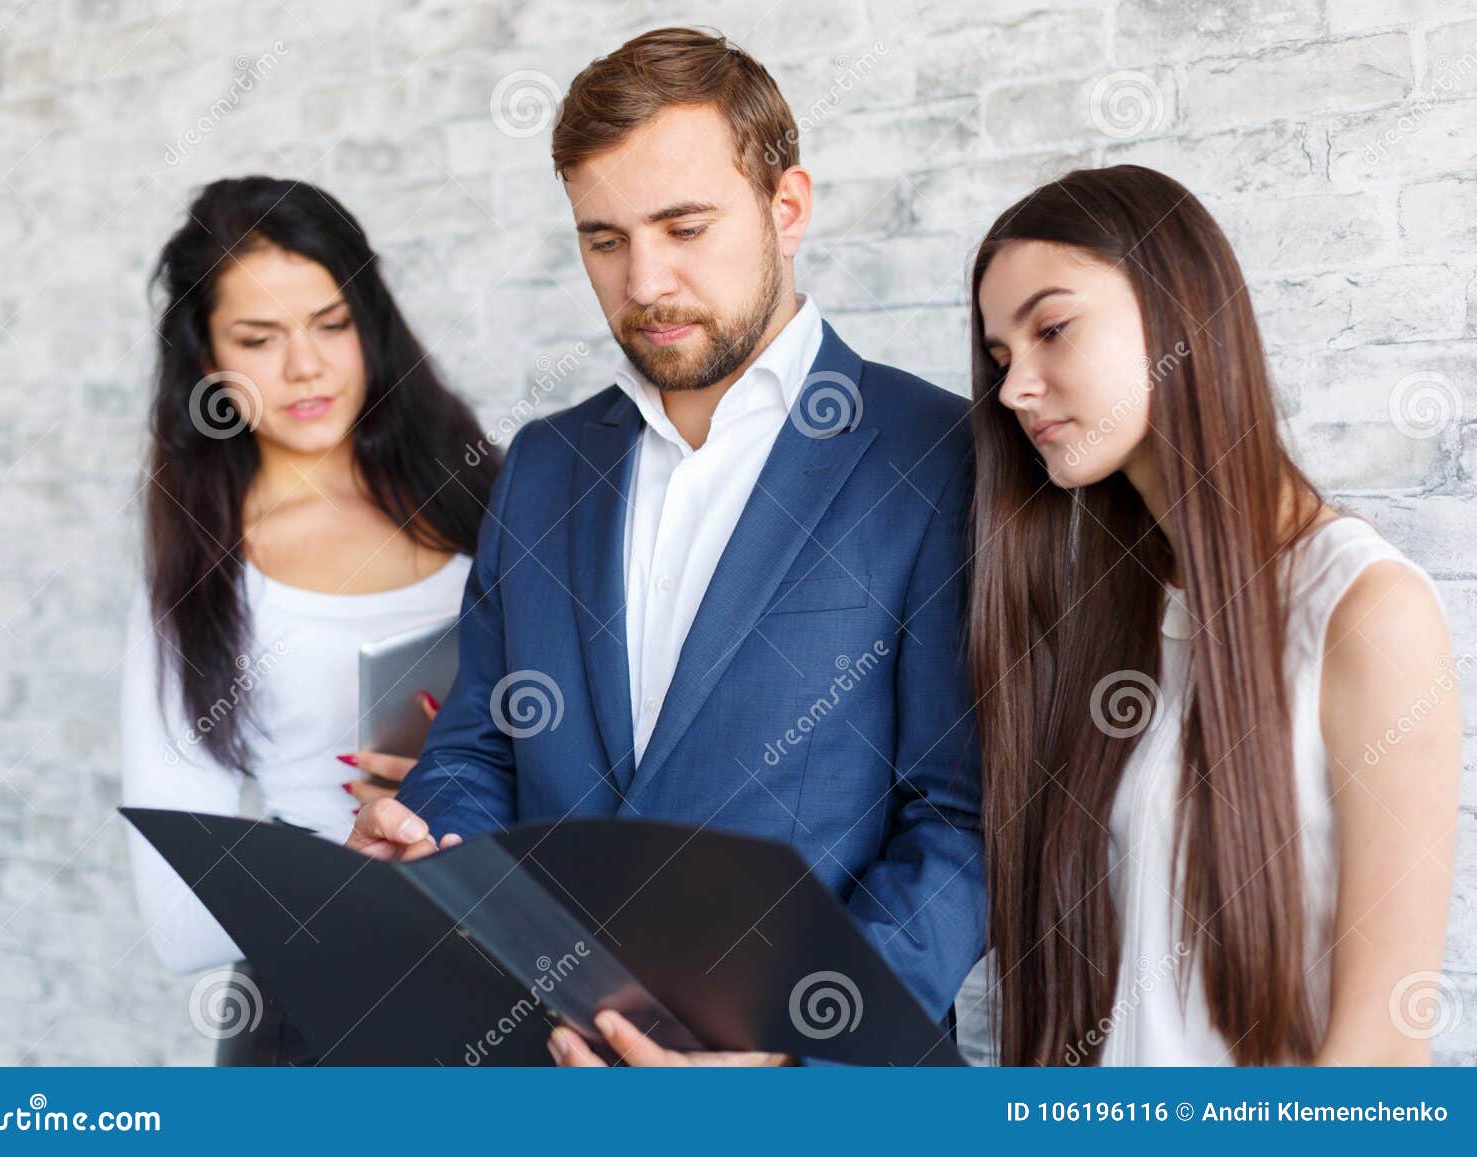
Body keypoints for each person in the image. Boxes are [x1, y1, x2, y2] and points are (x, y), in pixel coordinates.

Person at [345, 27, 985, 1067]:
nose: (644, 281)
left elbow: (965, 823)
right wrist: (432, 839)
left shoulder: (939, 454)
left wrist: (798, 1044)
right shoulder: (543, 465)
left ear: (788, 207)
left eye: (684, 227)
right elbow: (479, 745)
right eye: (604, 240)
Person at [966, 164, 1460, 1065]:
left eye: (1053, 329)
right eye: (1002, 358)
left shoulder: (1366, 612)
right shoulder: (1110, 618)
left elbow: (1383, 1049)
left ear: (1178, 315)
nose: (1014, 388)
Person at [121, 176, 496, 1064]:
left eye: (331, 323)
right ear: (206, 359)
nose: (306, 367)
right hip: (323, 1022)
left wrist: (479, 777)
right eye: (259, 338)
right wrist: (367, 851)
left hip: (512, 983)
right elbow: (178, 917)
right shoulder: (201, 574)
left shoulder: (488, 495)